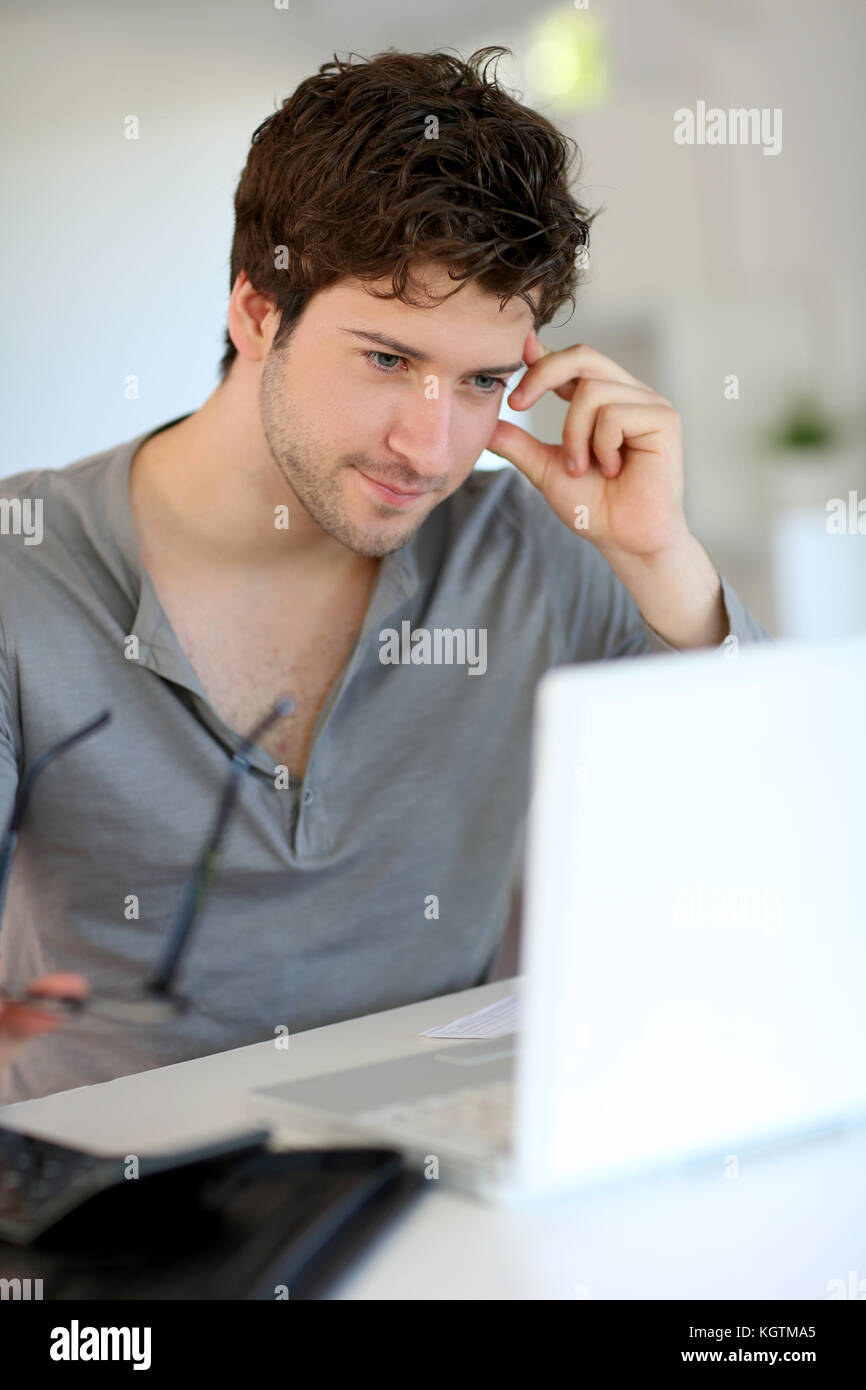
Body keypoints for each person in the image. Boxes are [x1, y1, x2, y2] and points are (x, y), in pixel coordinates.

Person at [0, 48, 770, 1104]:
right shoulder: (22, 562)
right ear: (257, 312)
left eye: (481, 382)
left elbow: (770, 854)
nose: (429, 445)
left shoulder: (531, 554)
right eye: (386, 359)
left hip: (442, 1199)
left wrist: (660, 563)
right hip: (118, 1220)